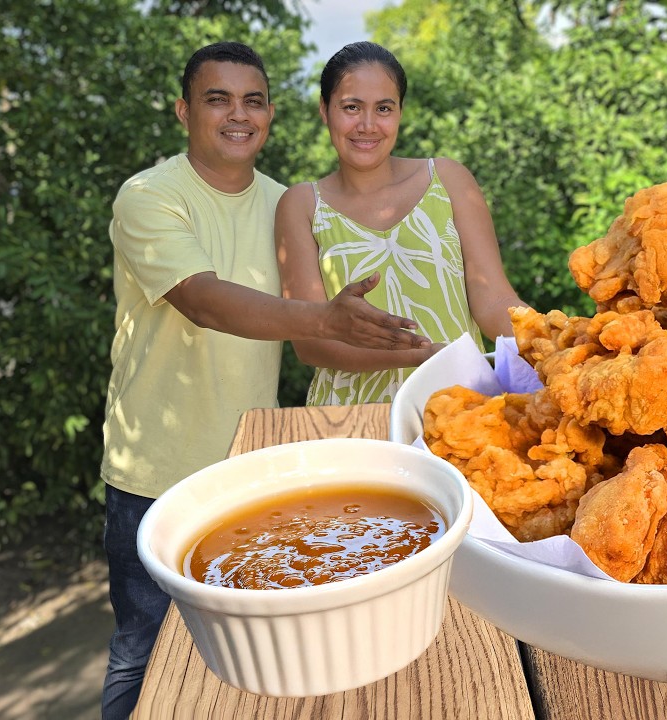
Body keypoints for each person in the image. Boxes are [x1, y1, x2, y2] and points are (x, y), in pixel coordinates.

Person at [99, 41, 431, 720]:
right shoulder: (148, 196)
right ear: (182, 110)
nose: (237, 114)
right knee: (144, 655)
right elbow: (205, 300)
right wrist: (322, 318)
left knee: (237, 674)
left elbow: (323, 330)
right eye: (217, 98)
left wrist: (416, 352)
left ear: (273, 114)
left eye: (252, 100)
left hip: (249, 472)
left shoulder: (289, 206)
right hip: (153, 474)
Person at [275, 41, 529, 406]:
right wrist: (415, 356)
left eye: (383, 108)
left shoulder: (448, 179)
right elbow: (311, 343)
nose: (367, 125)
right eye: (351, 107)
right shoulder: (301, 204)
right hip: (349, 419)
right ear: (324, 110)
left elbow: (494, 299)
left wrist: (553, 341)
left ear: (400, 112)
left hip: (459, 404)